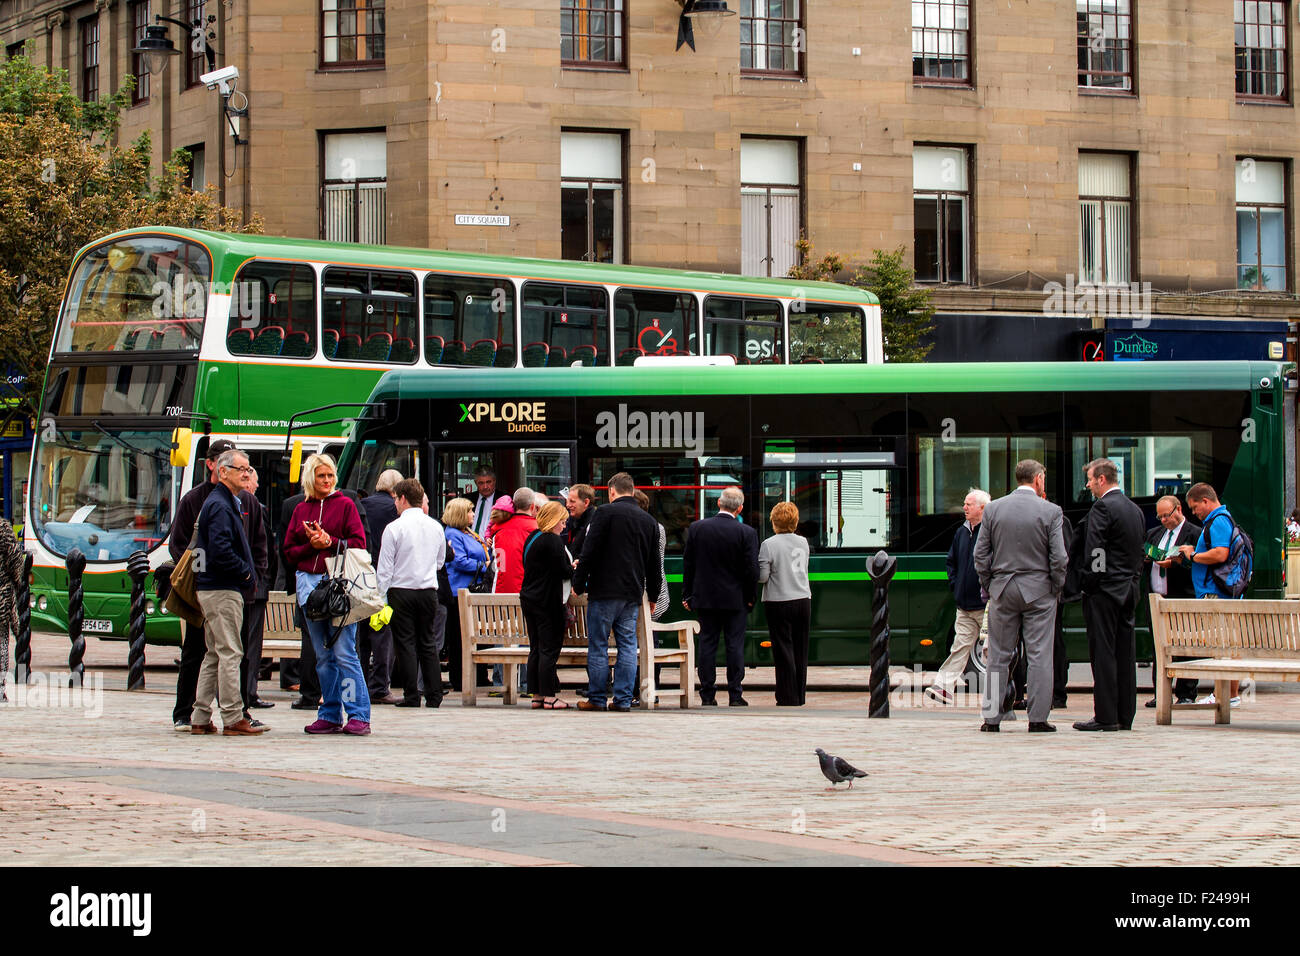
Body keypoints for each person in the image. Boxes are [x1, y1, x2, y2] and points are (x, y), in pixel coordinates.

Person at [972, 459, 1067, 733]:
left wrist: (990, 584)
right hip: (1039, 589)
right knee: (1039, 654)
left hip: (1002, 588)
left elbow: (980, 554)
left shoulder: (993, 510)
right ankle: (1037, 719)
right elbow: (1059, 557)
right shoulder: (1051, 511)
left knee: (998, 655)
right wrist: (1055, 587)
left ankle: (991, 719)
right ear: (1038, 479)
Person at [284, 453, 372, 735]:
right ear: (310, 478)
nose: (326, 481)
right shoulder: (300, 510)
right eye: (321, 476)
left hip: (338, 585)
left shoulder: (346, 505)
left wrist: (329, 542)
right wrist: (313, 545)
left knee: (345, 652)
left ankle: (358, 714)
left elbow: (359, 544)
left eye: (330, 475)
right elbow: (288, 552)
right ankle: (331, 713)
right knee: (323, 656)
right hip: (309, 585)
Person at [190, 448, 267, 736]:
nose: (246, 474)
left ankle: (199, 716)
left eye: (248, 469)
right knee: (231, 652)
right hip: (223, 589)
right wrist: (246, 572)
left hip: (213, 587)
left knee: (214, 654)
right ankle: (234, 717)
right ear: (223, 472)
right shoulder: (221, 505)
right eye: (241, 469)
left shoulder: (221, 501)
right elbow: (221, 549)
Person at [573, 472, 662, 712]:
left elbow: (588, 553)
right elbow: (655, 565)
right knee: (627, 646)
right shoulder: (648, 521)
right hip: (632, 593)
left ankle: (597, 698)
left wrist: (578, 584)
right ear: (632, 491)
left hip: (604, 591)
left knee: (599, 645)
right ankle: (623, 700)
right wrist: (653, 596)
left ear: (612, 491)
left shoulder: (604, 513)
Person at [169, 438, 238, 730]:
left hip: (227, 586)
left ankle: (233, 710)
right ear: (211, 464)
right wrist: (201, 574)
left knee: (226, 651)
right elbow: (180, 545)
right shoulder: (194, 499)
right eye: (222, 461)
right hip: (203, 587)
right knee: (194, 652)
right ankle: (184, 712)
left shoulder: (239, 498)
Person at [1074, 457, 1145, 732]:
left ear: (1102, 479)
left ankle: (1105, 716)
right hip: (1128, 588)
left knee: (1103, 652)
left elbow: (1097, 551)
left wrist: (1091, 582)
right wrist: (1133, 579)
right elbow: (1139, 551)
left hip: (1104, 591)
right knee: (1126, 652)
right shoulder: (1134, 509)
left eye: (1091, 480)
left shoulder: (1102, 507)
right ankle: (1125, 715)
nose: (1089, 485)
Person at [682, 485, 760, 707]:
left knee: (707, 644)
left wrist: (687, 594)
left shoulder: (697, 528)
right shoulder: (747, 533)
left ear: (718, 503)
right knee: (735, 645)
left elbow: (689, 565)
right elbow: (751, 570)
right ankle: (735, 694)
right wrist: (750, 597)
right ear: (740, 508)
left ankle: (708, 694)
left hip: (705, 599)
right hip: (736, 600)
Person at [378, 478, 446, 709]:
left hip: (401, 590)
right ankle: (434, 695)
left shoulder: (394, 528)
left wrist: (381, 597)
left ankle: (411, 695)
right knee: (428, 643)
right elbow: (440, 562)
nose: (395, 503)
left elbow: (384, 569)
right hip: (428, 591)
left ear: (403, 498)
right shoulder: (436, 526)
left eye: (396, 499)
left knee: (405, 644)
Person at [1178, 483, 1245, 707]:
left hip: (1216, 595)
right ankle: (1230, 695)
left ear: (1205, 501)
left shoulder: (1218, 521)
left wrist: (1192, 554)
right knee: (1228, 646)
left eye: (1195, 507)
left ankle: (1223, 695)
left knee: (1221, 646)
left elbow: (1219, 554)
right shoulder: (1221, 520)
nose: (1194, 512)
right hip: (1221, 593)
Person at [927, 489, 989, 705]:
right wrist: (956, 586)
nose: (964, 508)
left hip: (985, 605)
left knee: (993, 649)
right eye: (964, 503)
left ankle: (1004, 692)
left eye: (969, 504)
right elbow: (951, 562)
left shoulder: (990, 532)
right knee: (959, 647)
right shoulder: (962, 532)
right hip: (964, 605)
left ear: (982, 508)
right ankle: (943, 688)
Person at [1142, 495, 1202, 708]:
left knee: (1186, 645)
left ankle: (1186, 692)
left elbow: (1198, 564)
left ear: (1178, 509)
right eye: (1160, 517)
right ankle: (1161, 692)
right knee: (1159, 648)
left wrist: (1176, 563)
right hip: (1157, 599)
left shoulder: (1194, 533)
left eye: (1167, 515)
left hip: (1182, 596)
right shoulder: (1154, 533)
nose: (1164, 520)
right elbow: (1145, 554)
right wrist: (1148, 557)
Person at [520, 501, 574, 710]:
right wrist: (573, 567)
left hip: (529, 598)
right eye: (562, 521)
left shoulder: (532, 538)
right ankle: (550, 697)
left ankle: (537, 696)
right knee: (549, 649)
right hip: (548, 601)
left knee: (536, 648)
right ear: (553, 520)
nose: (564, 525)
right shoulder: (552, 540)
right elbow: (563, 571)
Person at [758, 501, 812, 706]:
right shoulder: (803, 543)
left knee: (783, 650)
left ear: (774, 521)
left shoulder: (768, 544)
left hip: (778, 600)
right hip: (802, 598)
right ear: (795, 521)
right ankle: (800, 694)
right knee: (800, 649)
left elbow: (762, 577)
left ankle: (786, 696)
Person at [360, 469, 403, 705]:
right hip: (386, 577)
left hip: (362, 575)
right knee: (383, 634)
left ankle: (362, 683)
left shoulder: (362, 504)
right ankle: (380, 686)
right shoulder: (394, 510)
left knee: (363, 636)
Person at [442, 498, 491, 692]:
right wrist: (483, 566)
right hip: (459, 591)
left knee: (473, 635)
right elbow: (459, 561)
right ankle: (459, 677)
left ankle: (478, 675)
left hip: (473, 590)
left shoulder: (468, 533)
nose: (473, 514)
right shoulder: (452, 534)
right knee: (458, 637)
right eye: (470, 511)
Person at [237, 466, 272, 719]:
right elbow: (266, 549)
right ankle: (246, 692)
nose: (257, 486)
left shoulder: (253, 506)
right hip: (252, 587)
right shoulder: (254, 508)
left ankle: (246, 691)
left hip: (251, 585)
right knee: (249, 644)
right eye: (254, 481)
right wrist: (260, 578)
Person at [0, 517, 23, 702]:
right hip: (1, 599)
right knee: (1, 644)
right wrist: (18, 583)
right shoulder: (3, 528)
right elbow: (16, 563)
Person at [566, 483, 597, 555]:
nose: (568, 505)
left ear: (586, 502)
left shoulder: (594, 522)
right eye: (567, 501)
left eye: (572, 501)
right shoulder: (574, 519)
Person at [467, 466, 497, 538]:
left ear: (494, 481)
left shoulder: (503, 500)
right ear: (475, 483)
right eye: (481, 483)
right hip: (469, 544)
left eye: (488, 482)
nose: (485, 486)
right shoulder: (467, 499)